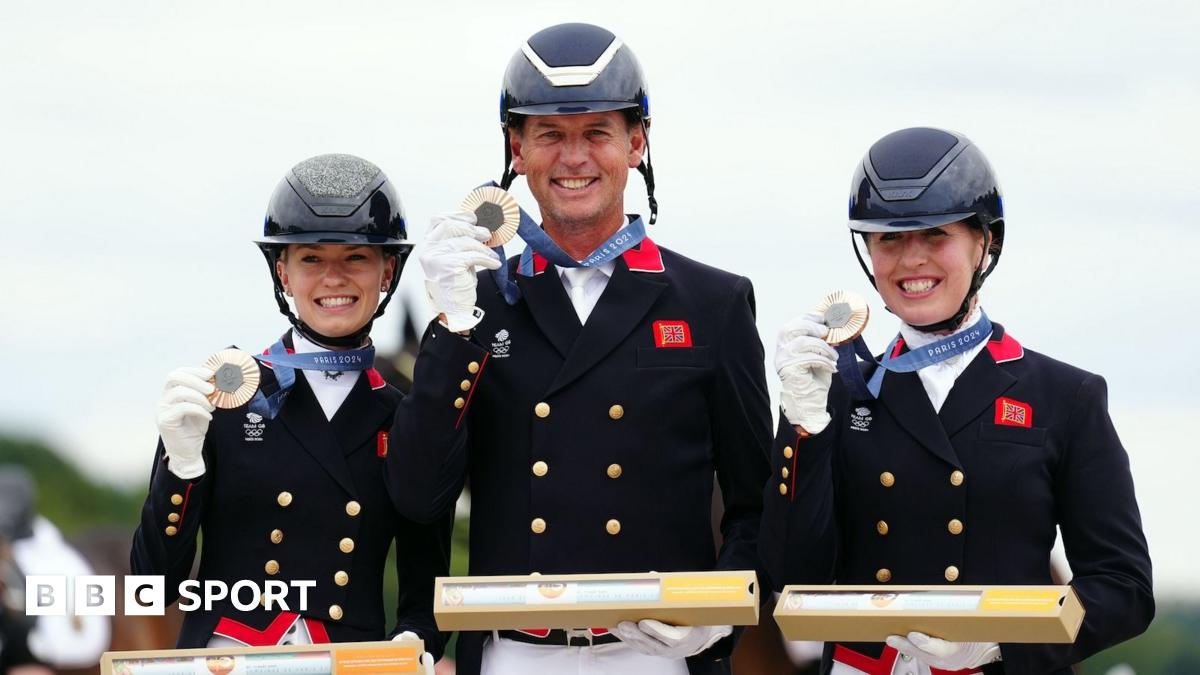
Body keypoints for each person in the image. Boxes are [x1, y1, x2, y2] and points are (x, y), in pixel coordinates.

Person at [387, 23, 772, 675]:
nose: (574, 157)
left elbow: (757, 504)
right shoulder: (477, 305)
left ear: (636, 141)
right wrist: (453, 327)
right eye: (549, 134)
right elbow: (419, 496)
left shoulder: (714, 303)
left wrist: (718, 616)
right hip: (516, 652)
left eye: (596, 132)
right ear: (516, 148)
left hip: (662, 656)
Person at [759, 127, 1153, 674]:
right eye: (889, 240)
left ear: (983, 243)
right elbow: (789, 572)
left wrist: (1000, 644)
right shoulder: (842, 391)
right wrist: (801, 426)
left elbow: (1123, 587)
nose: (910, 261)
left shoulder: (1065, 396)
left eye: (935, 235)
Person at [130, 154, 447, 670]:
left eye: (356, 258)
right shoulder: (225, 397)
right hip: (228, 658)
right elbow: (152, 586)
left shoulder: (403, 417)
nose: (333, 278)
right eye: (311, 259)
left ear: (387, 270)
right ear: (283, 269)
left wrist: (415, 644)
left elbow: (421, 596)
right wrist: (180, 469)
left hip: (347, 662)